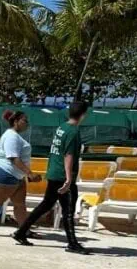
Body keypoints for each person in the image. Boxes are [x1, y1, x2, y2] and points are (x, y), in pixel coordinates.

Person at [13, 101, 90, 254]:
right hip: (62, 175)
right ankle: (72, 243)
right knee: (68, 210)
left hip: (54, 172)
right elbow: (68, 155)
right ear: (83, 114)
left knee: (46, 204)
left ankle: (21, 232)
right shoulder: (73, 131)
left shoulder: (62, 127)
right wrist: (69, 179)